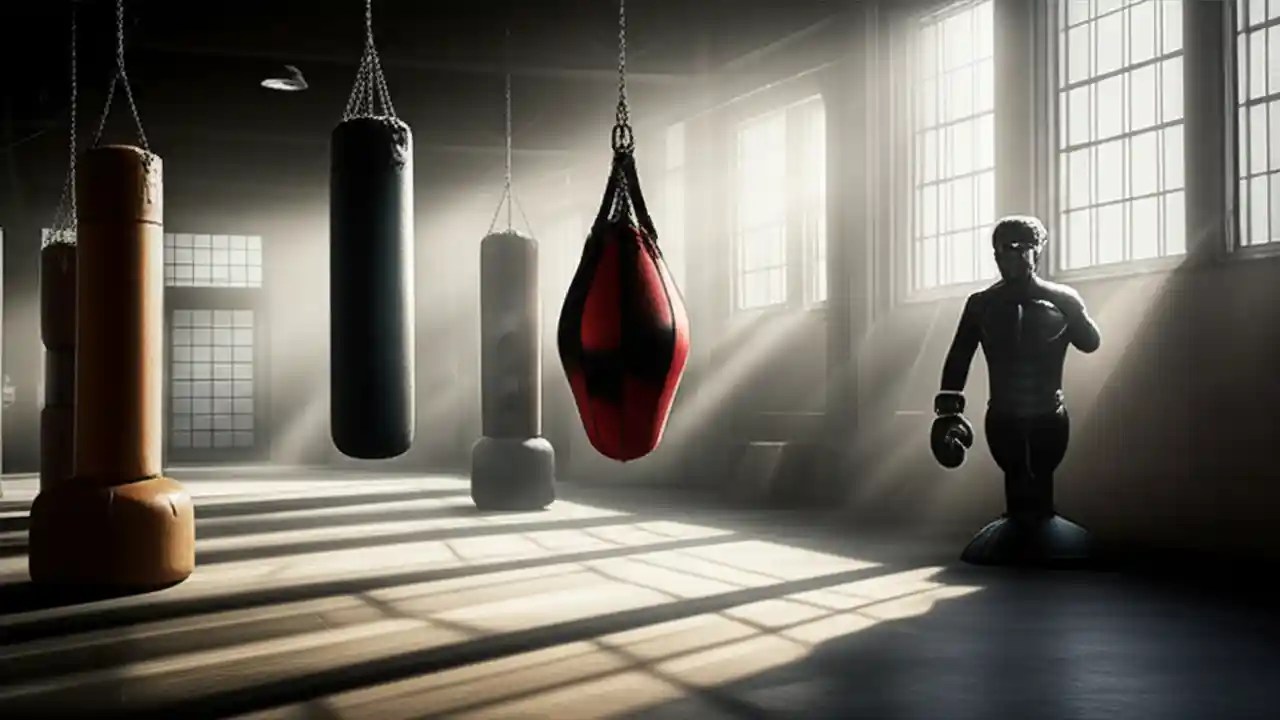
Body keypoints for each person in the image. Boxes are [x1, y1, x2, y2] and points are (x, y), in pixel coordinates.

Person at [930, 215, 1102, 563]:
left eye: (1018, 248)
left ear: (1037, 250)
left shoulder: (1061, 300)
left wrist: (1073, 310)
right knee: (1014, 470)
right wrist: (948, 412)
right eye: (1001, 250)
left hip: (1049, 412)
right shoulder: (982, 304)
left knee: (1042, 471)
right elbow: (959, 355)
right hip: (1003, 413)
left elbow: (1090, 342)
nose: (1008, 257)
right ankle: (1019, 523)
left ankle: (1041, 522)